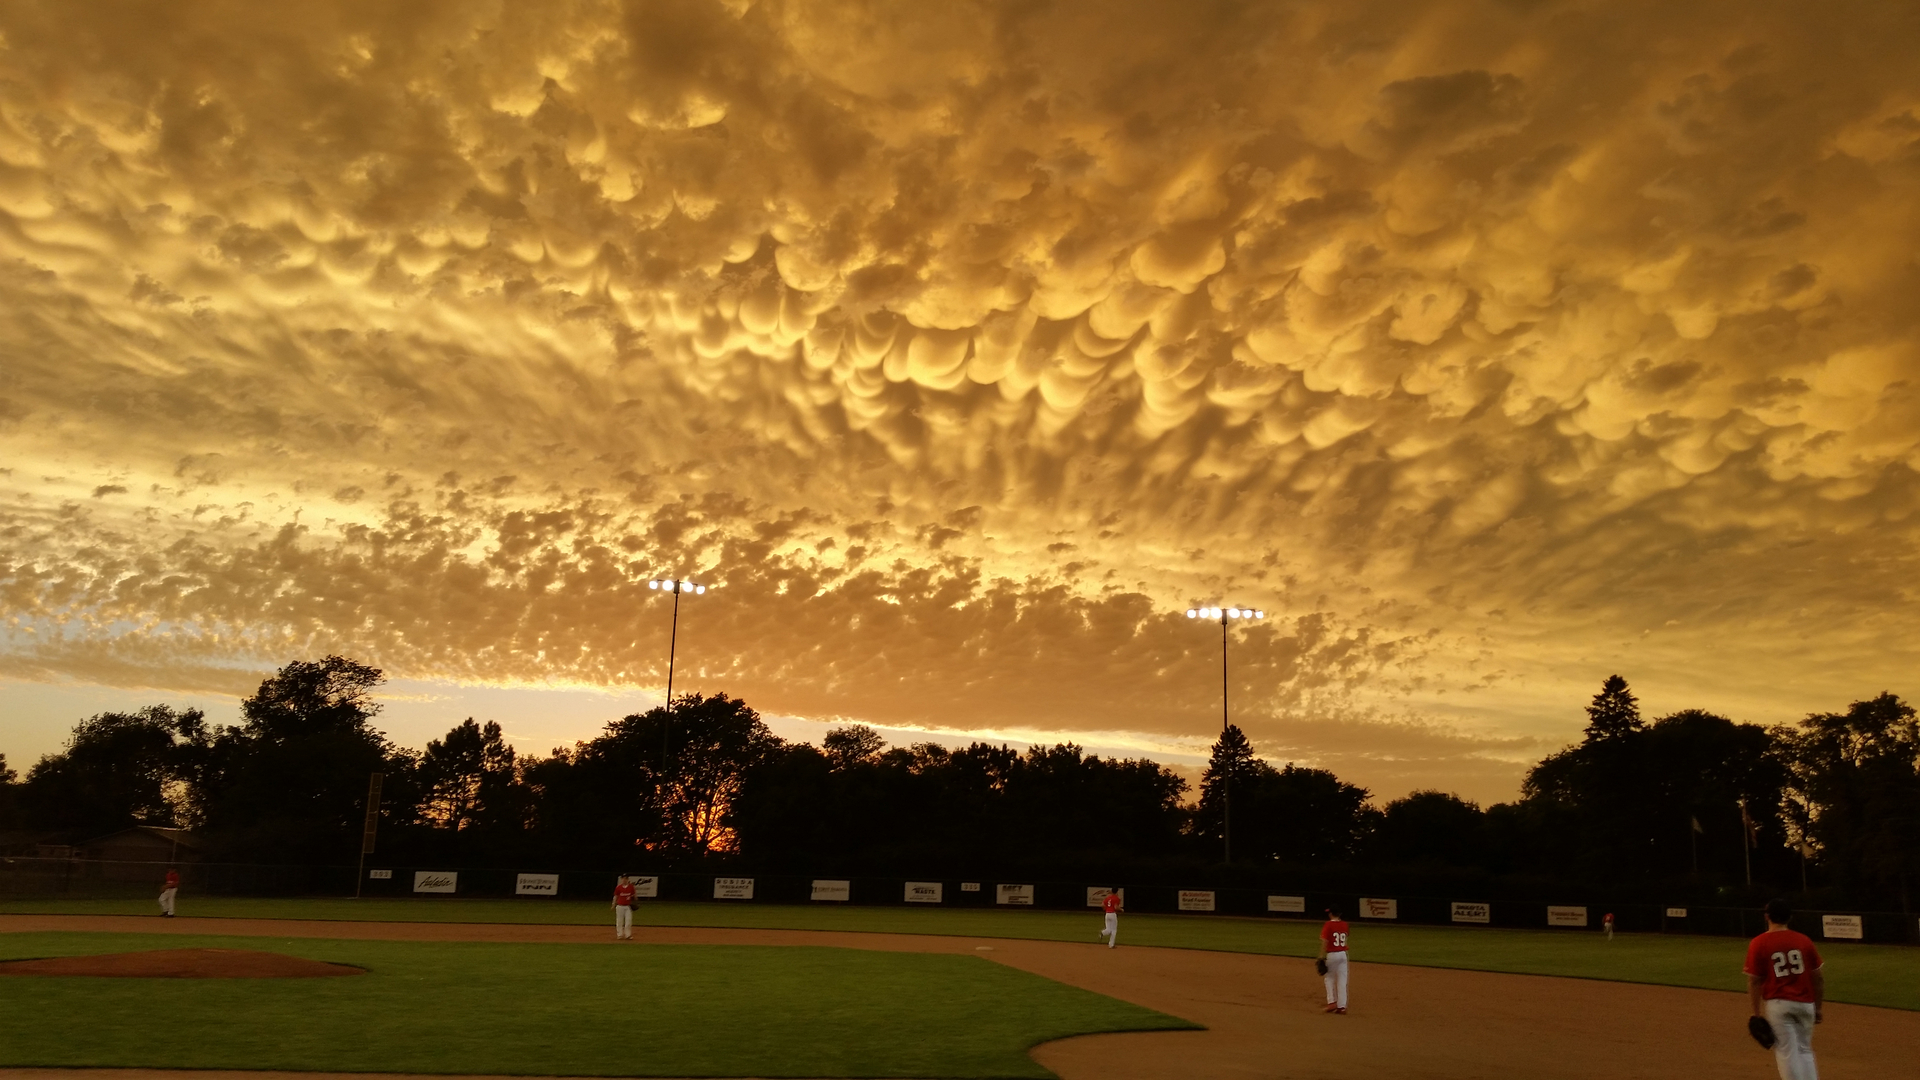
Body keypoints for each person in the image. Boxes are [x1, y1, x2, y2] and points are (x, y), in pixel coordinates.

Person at [1744, 898, 1822, 1080]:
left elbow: (1754, 982)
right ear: (1790, 917)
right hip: (1805, 1004)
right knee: (1805, 1050)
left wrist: (1756, 1013)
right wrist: (1817, 1007)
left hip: (1778, 1004)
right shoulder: (1804, 940)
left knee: (1786, 1052)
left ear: (1767, 917)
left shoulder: (1759, 942)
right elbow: (1818, 978)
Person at [1318, 908, 1350, 1014]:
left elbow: (1325, 941)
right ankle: (1342, 1006)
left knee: (1329, 978)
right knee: (1342, 980)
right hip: (1343, 955)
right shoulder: (1345, 924)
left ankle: (1331, 1002)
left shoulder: (1328, 925)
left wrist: (1321, 956)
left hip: (1332, 954)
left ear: (1331, 914)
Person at [611, 874, 636, 940]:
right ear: (621, 879)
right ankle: (620, 935)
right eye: (623, 878)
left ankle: (628, 935)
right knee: (619, 921)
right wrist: (613, 905)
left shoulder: (631, 887)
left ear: (628, 880)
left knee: (628, 921)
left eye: (625, 878)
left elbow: (634, 895)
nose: (624, 880)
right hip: (620, 906)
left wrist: (635, 900)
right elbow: (615, 896)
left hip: (628, 907)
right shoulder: (618, 887)